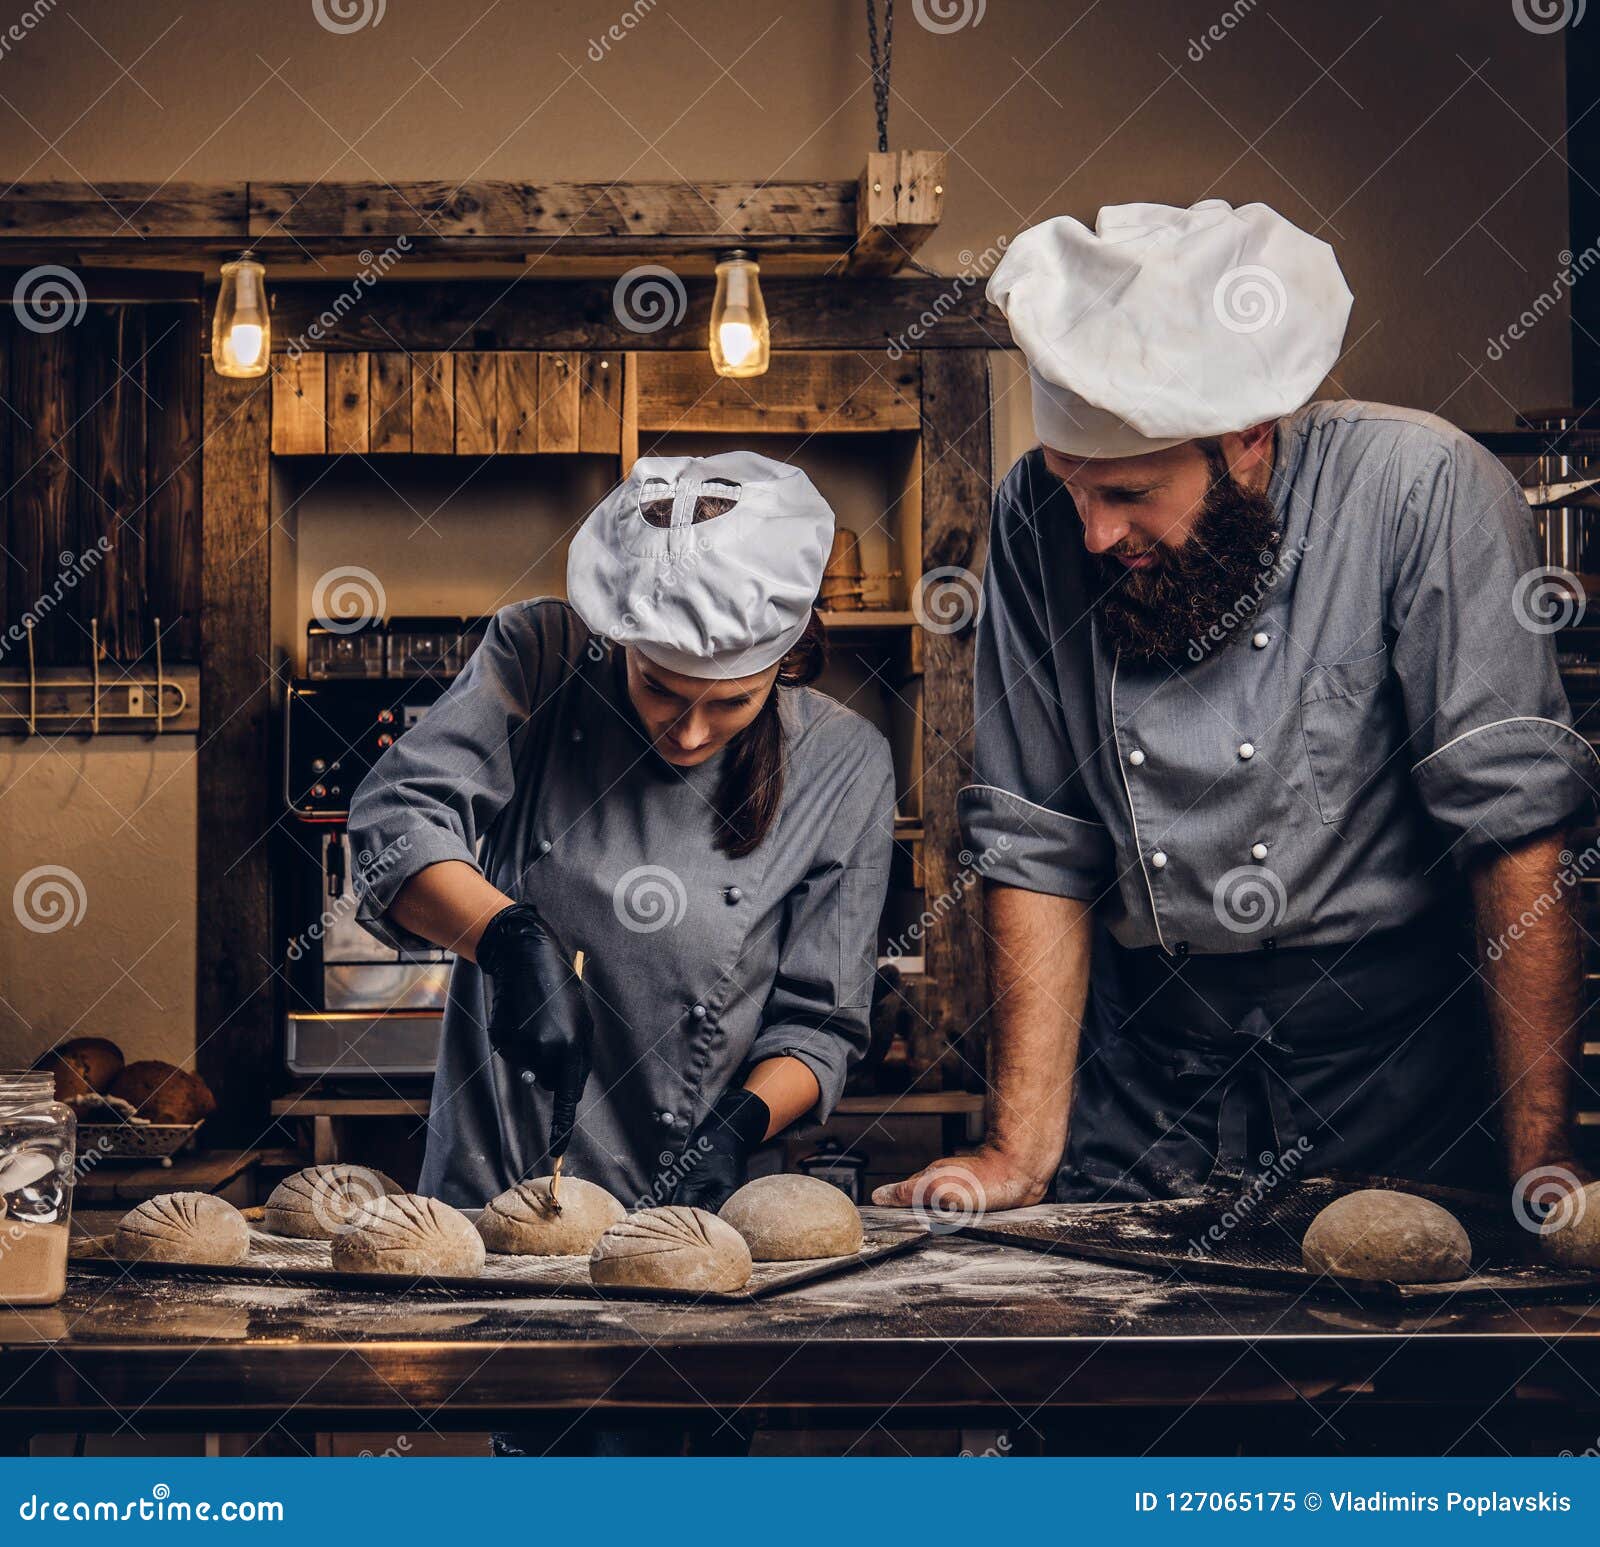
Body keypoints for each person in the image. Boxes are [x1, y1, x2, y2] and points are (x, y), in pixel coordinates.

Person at [876, 200, 1597, 1218]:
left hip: (1394, 1071)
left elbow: (1513, 827)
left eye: (1127, 493)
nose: (1089, 534)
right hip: (1145, 1079)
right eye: (1071, 486)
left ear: (1245, 441)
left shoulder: (1418, 489)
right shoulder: (1033, 520)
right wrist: (1016, 1149)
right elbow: (1037, 839)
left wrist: (1544, 1160)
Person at [347, 450, 894, 1231]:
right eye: (659, 687)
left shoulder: (844, 764)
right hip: (487, 1207)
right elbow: (394, 821)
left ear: (789, 658)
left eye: (732, 703)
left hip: (696, 1220)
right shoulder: (541, 657)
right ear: (618, 641)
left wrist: (737, 1128)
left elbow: (822, 1021)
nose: (689, 731)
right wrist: (508, 939)